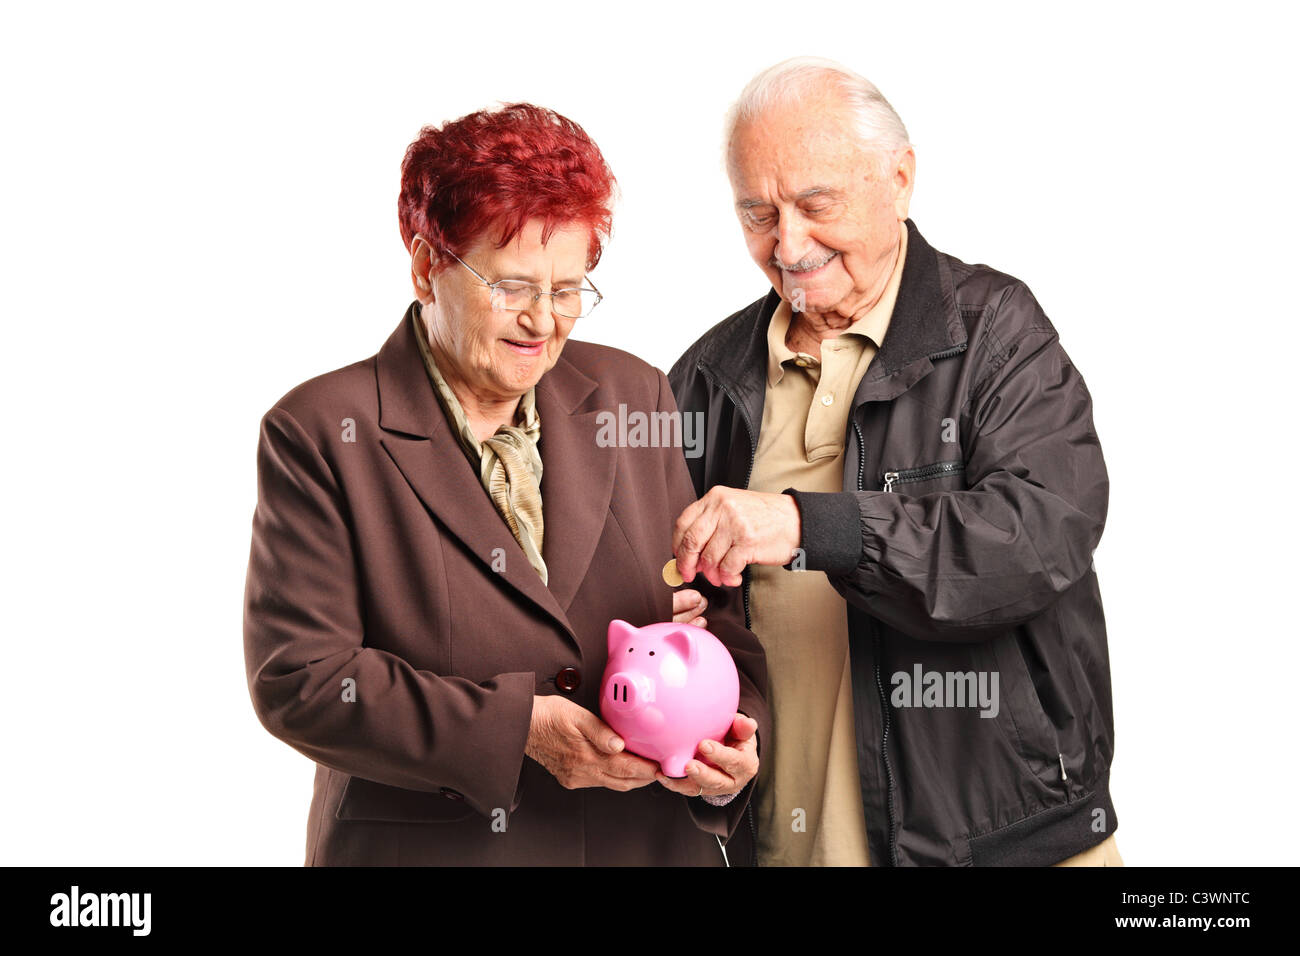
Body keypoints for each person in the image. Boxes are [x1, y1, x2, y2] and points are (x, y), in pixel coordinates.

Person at [242, 102, 768, 866]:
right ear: (427, 265)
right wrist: (517, 728)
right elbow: (304, 681)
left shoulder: (635, 394)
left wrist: (732, 750)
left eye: (567, 290)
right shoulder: (320, 430)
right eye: (513, 287)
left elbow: (711, 611)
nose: (544, 323)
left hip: (644, 846)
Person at [668, 57, 1120, 867]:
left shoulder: (994, 331)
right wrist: (707, 746)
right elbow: (680, 620)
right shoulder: (707, 375)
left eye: (816, 204)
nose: (788, 244)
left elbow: (1038, 537)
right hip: (789, 843)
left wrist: (810, 523)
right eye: (757, 213)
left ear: (900, 179)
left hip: (1010, 845)